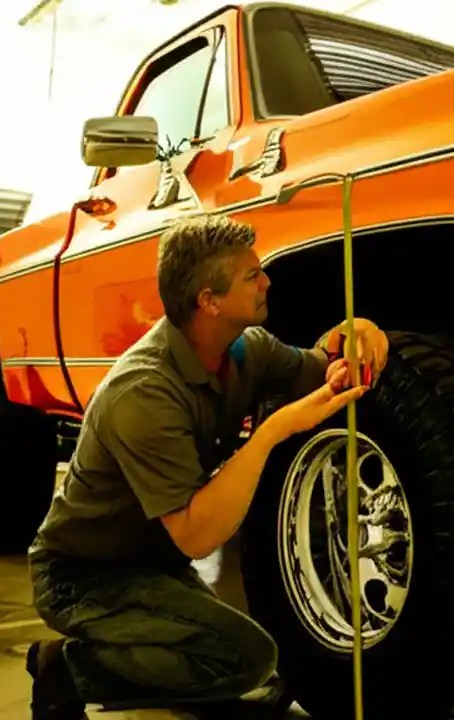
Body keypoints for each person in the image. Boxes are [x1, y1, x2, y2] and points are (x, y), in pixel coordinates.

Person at [24, 215, 389, 719]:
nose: (268, 281)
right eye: (251, 276)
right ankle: (66, 668)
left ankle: (170, 668)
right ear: (208, 301)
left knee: (264, 671)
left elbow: (316, 367)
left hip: (155, 564)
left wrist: (354, 335)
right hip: (85, 574)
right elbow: (197, 538)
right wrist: (271, 433)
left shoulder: (245, 350)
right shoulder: (143, 392)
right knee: (245, 659)